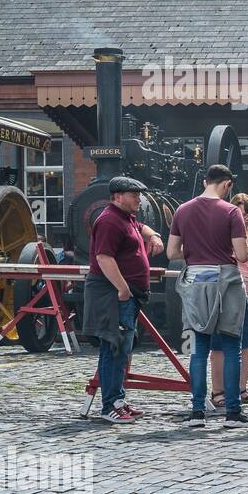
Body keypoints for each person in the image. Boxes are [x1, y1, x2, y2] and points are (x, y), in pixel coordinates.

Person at [167, 164, 248, 428]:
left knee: (198, 350)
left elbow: (173, 252)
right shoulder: (231, 211)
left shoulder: (182, 210)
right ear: (227, 184)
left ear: (205, 181)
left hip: (195, 279)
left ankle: (197, 412)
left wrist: (195, 252)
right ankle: (232, 412)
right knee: (231, 348)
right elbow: (241, 255)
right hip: (226, 281)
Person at [82, 176, 161, 424]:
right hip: (113, 294)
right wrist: (123, 288)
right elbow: (104, 258)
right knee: (114, 348)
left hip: (125, 294)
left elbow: (140, 227)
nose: (139, 198)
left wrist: (154, 235)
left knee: (122, 348)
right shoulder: (108, 221)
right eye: (133, 194)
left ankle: (117, 400)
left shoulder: (125, 218)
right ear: (117, 196)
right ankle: (109, 406)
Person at [207, 193, 248, 408]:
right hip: (229, 291)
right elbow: (243, 251)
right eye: (242, 214)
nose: (246, 218)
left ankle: (242, 388)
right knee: (221, 345)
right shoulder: (227, 230)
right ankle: (218, 391)